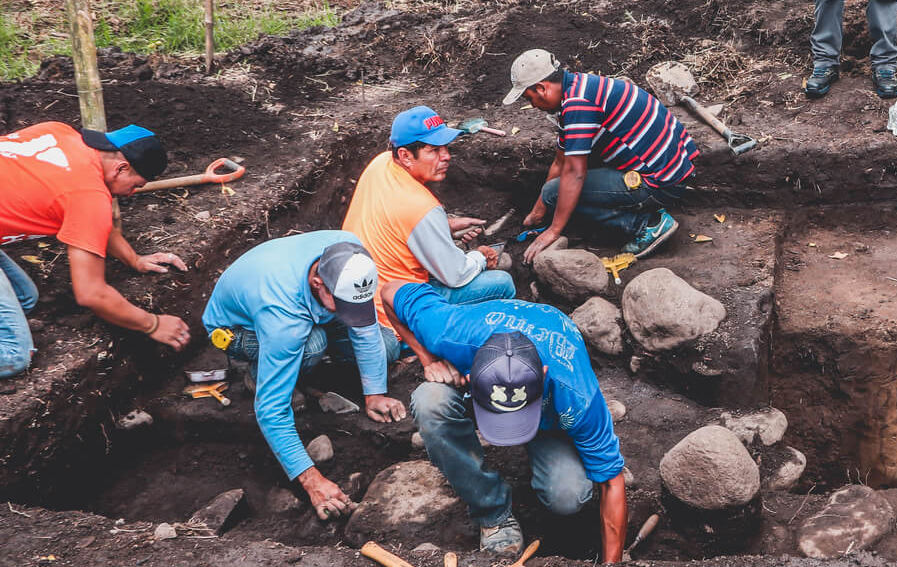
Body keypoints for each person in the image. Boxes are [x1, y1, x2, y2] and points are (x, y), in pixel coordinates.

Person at [382, 279, 627, 560]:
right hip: (482, 363)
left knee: (568, 496)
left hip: (551, 404)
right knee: (430, 401)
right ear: (472, 376)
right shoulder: (448, 330)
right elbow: (388, 292)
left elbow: (612, 481)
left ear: (544, 374)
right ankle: (493, 515)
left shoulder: (575, 392)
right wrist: (428, 360)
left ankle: (545, 435)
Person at [202, 232, 406, 518]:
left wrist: (375, 394)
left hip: (305, 308)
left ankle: (294, 360)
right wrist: (312, 481)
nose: (351, 312)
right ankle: (257, 373)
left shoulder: (350, 255)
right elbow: (271, 411)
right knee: (312, 345)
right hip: (237, 330)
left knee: (386, 346)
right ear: (317, 283)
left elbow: (366, 331)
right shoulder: (282, 316)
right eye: (344, 305)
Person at [0, 122, 190, 378]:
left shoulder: (59, 131)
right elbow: (90, 293)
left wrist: (135, 260)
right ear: (121, 167)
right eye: (137, 184)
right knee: (15, 354)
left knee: (26, 299)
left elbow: (96, 225)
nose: (132, 193)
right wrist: (152, 324)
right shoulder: (88, 195)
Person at [343, 105, 515, 352]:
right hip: (391, 317)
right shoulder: (420, 207)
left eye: (445, 148)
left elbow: (396, 222)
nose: (445, 156)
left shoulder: (380, 164)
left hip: (359, 298)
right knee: (502, 283)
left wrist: (444, 227)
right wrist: (480, 255)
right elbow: (456, 276)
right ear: (405, 155)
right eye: (433, 150)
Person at [504, 49, 697, 264]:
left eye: (530, 99)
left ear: (542, 88)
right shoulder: (580, 86)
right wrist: (538, 211)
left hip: (661, 183)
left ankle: (647, 224)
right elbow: (561, 160)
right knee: (552, 195)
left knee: (555, 192)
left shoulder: (578, 105)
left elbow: (575, 173)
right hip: (675, 166)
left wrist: (554, 230)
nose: (533, 106)